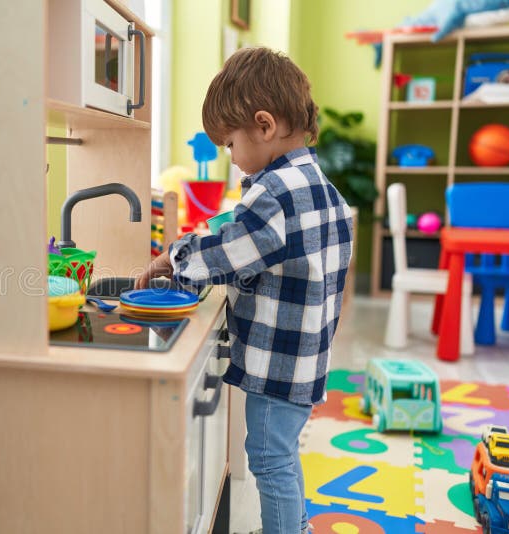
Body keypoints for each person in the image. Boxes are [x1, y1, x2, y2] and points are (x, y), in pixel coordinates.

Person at [135, 47, 354, 534]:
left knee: (269, 460)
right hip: (305, 355)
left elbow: (231, 248)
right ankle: (294, 527)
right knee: (281, 454)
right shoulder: (317, 185)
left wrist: (172, 258)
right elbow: (249, 239)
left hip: (277, 365)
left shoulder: (275, 192)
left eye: (230, 144)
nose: (231, 159)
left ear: (264, 125)